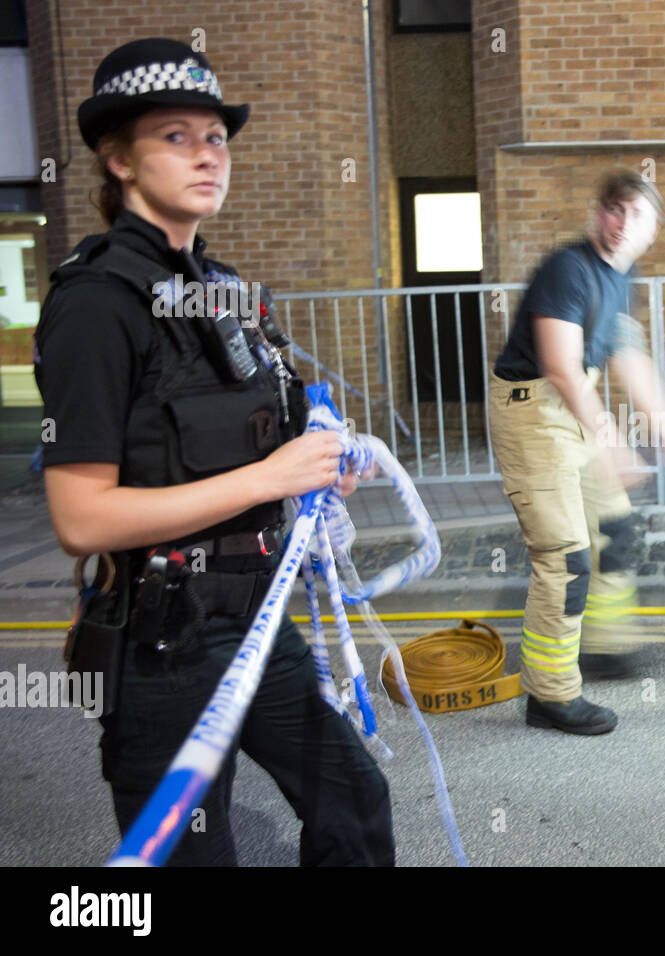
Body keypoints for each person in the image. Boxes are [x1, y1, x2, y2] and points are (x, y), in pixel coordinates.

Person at [34, 38, 393, 865]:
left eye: (217, 136)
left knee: (354, 804)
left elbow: (284, 423)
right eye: (176, 136)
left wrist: (328, 454)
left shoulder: (227, 291)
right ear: (118, 160)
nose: (206, 154)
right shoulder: (97, 306)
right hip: (164, 644)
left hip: (259, 620)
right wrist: (267, 477)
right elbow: (81, 519)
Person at [490, 170, 665, 735]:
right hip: (534, 411)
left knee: (615, 528)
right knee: (565, 558)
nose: (622, 223)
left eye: (636, 215)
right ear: (599, 214)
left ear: (651, 231)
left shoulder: (619, 278)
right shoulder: (569, 268)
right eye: (614, 209)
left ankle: (603, 647)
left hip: (569, 406)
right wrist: (611, 440)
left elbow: (629, 358)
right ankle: (550, 694)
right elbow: (560, 365)